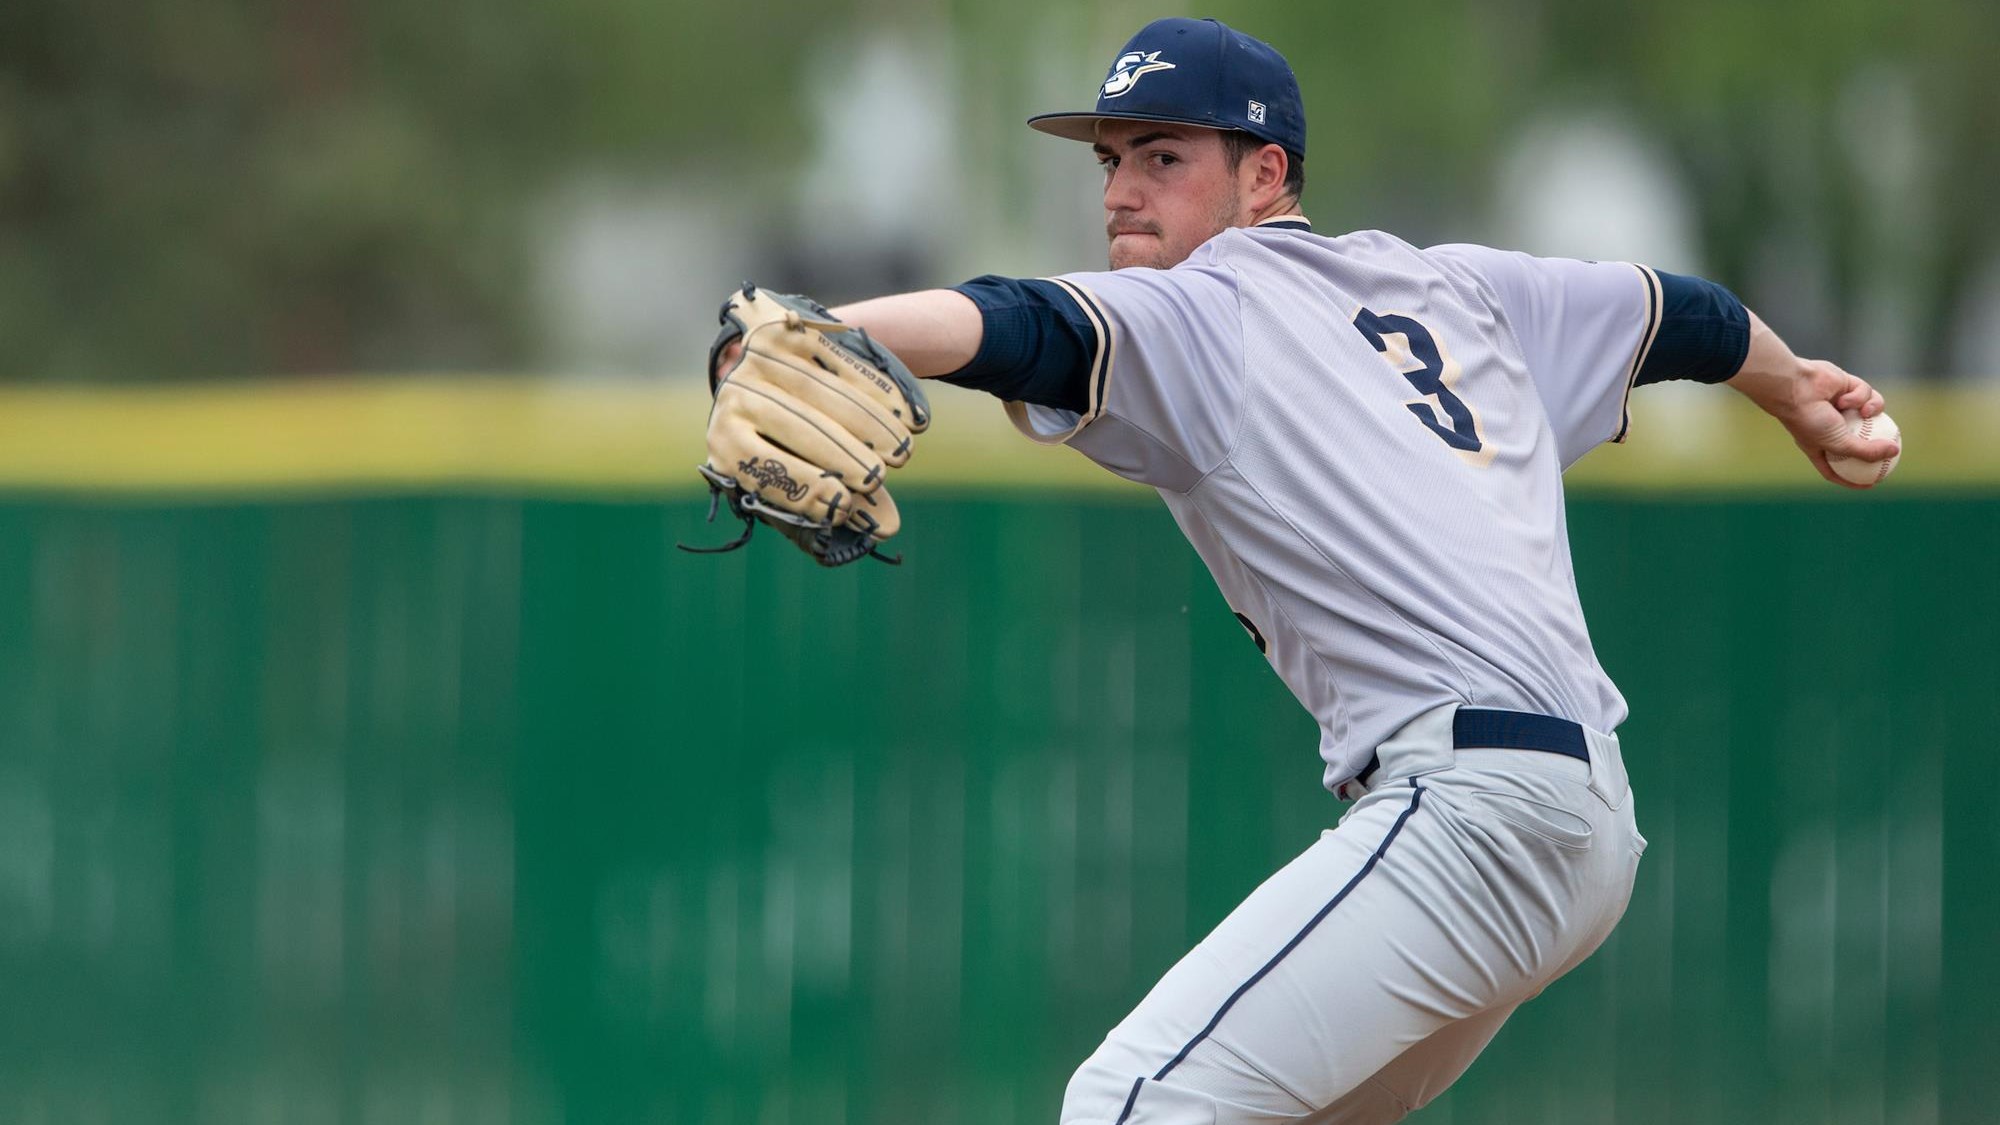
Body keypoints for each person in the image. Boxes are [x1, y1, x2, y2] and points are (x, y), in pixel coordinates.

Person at [706, 16, 1898, 1123]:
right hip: (1581, 823)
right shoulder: (1458, 289)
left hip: (1468, 811)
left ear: (1263, 174)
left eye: (1161, 156)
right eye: (1110, 159)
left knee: (1127, 1102)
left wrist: (824, 328)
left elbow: (1023, 322)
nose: (1121, 191)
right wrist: (1799, 394)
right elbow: (1680, 314)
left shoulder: (1209, 308)